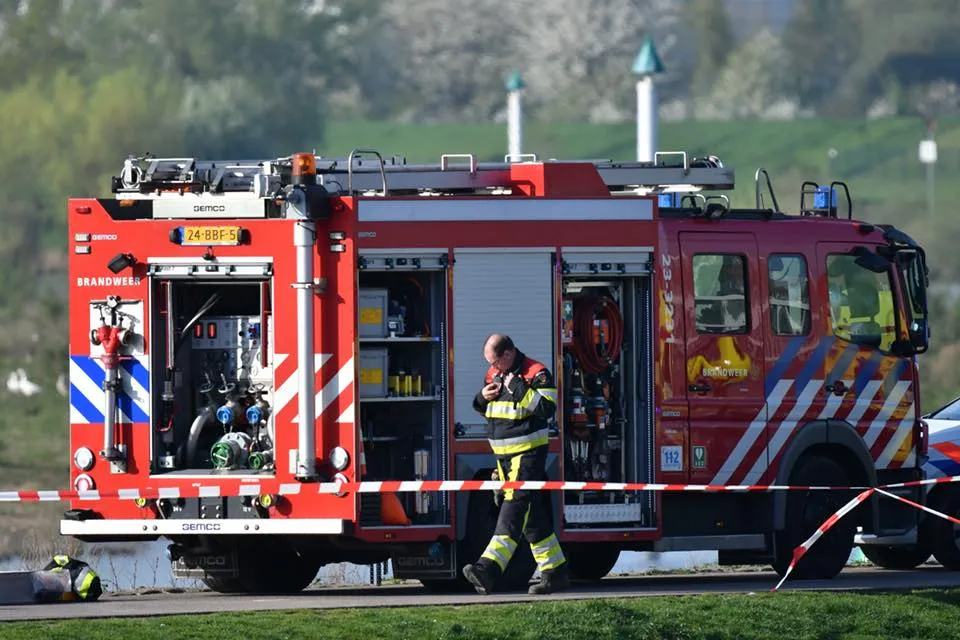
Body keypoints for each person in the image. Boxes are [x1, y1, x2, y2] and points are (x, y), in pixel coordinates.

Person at [462, 334, 569, 595]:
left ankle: (487, 569)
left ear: (508, 354)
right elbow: (485, 409)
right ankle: (554, 572)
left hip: (528, 455)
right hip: (503, 458)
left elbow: (547, 408)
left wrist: (520, 388)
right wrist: (482, 397)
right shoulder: (494, 373)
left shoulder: (537, 372)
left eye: (496, 362)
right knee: (532, 518)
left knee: (513, 511)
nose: (493, 368)